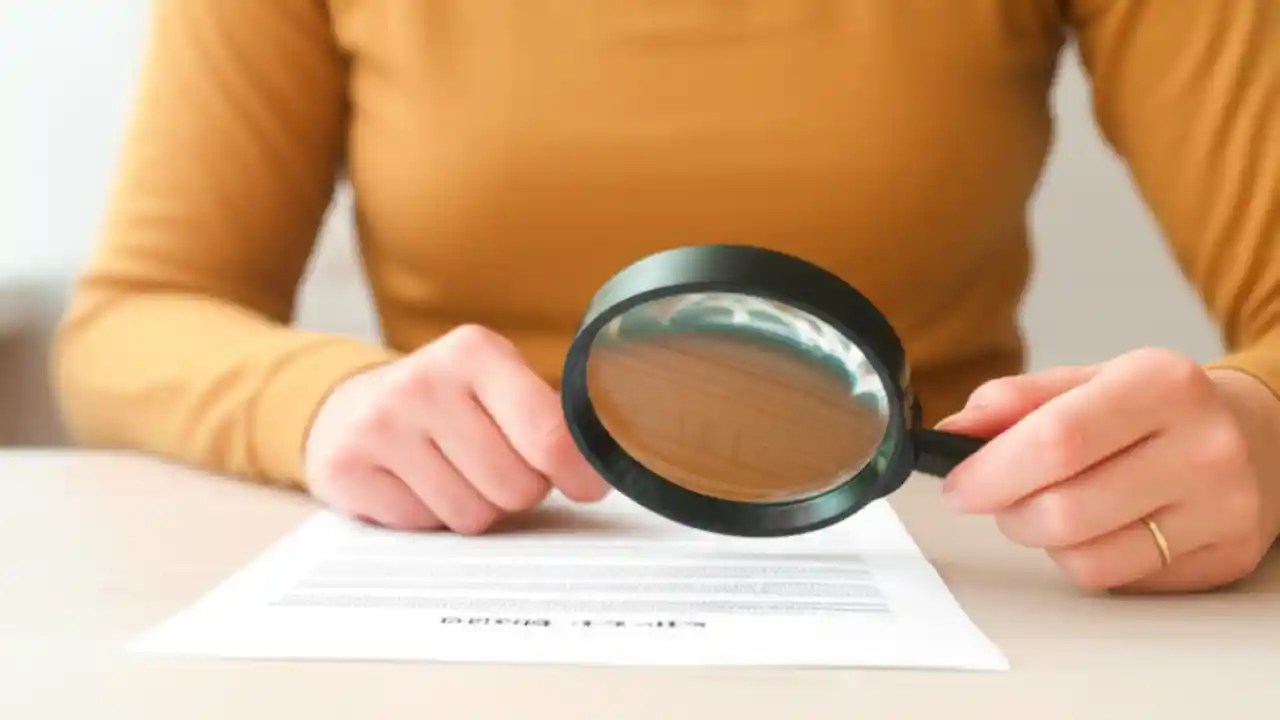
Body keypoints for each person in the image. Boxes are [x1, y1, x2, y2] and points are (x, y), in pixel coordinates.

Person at [52, 1, 1278, 594]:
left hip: (954, 578)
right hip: (473, 571)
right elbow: (136, 315)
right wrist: (328, 402)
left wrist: (1260, 424)